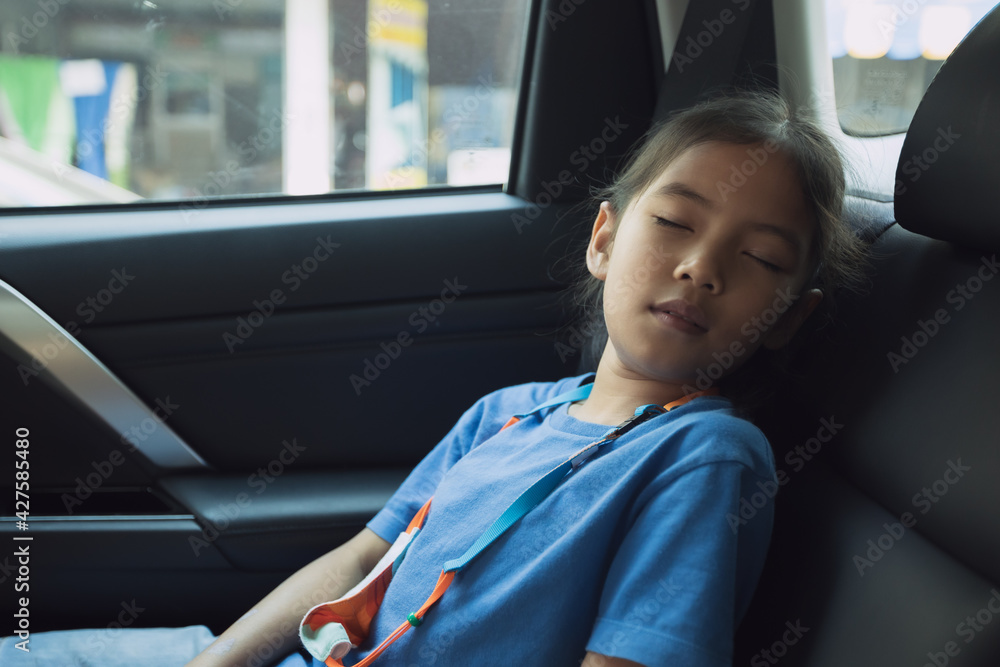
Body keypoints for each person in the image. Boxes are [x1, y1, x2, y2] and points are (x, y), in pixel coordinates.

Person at [0, 90, 866, 667]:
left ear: (790, 317)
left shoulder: (705, 455)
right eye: (674, 222)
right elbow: (362, 558)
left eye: (756, 259)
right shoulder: (509, 414)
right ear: (604, 239)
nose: (700, 268)